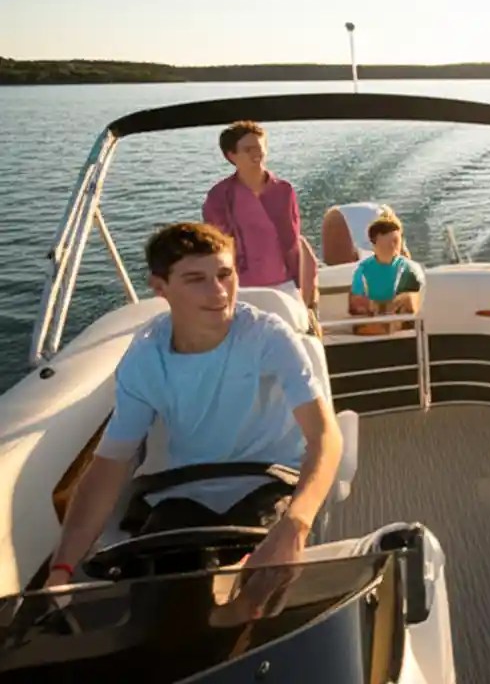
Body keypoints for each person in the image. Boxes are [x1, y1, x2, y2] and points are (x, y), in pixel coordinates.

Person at [43, 223, 343, 588]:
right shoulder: (145, 357)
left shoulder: (268, 337)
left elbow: (324, 436)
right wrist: (61, 568)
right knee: (159, 592)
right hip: (183, 491)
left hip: (271, 482)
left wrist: (296, 524)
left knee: (256, 588)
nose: (218, 291)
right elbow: (110, 464)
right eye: (196, 279)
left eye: (225, 275)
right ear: (160, 288)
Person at [202, 120, 319, 311]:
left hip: (285, 282)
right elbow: (216, 245)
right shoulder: (219, 196)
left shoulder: (284, 190)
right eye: (248, 149)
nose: (256, 153)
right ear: (231, 155)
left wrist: (307, 283)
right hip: (241, 287)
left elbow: (293, 239)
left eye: (259, 147)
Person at [349, 212, 422, 335]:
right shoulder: (363, 270)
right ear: (375, 243)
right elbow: (355, 304)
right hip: (375, 318)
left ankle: (389, 327)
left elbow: (415, 301)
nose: (393, 246)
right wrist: (378, 307)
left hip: (401, 318)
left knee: (408, 300)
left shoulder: (408, 268)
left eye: (396, 241)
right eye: (389, 242)